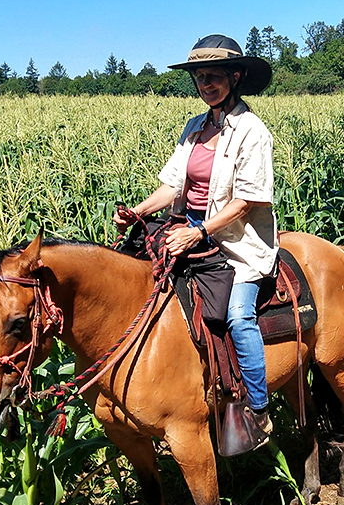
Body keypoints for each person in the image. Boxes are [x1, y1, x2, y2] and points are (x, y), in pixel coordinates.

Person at [113, 34, 278, 444]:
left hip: (237, 245)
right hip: (187, 232)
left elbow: (246, 201)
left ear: (235, 77)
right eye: (201, 77)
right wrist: (139, 211)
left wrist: (200, 230)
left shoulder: (252, 131)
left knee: (239, 317)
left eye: (215, 76)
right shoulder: (194, 129)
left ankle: (257, 408)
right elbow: (172, 186)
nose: (206, 84)